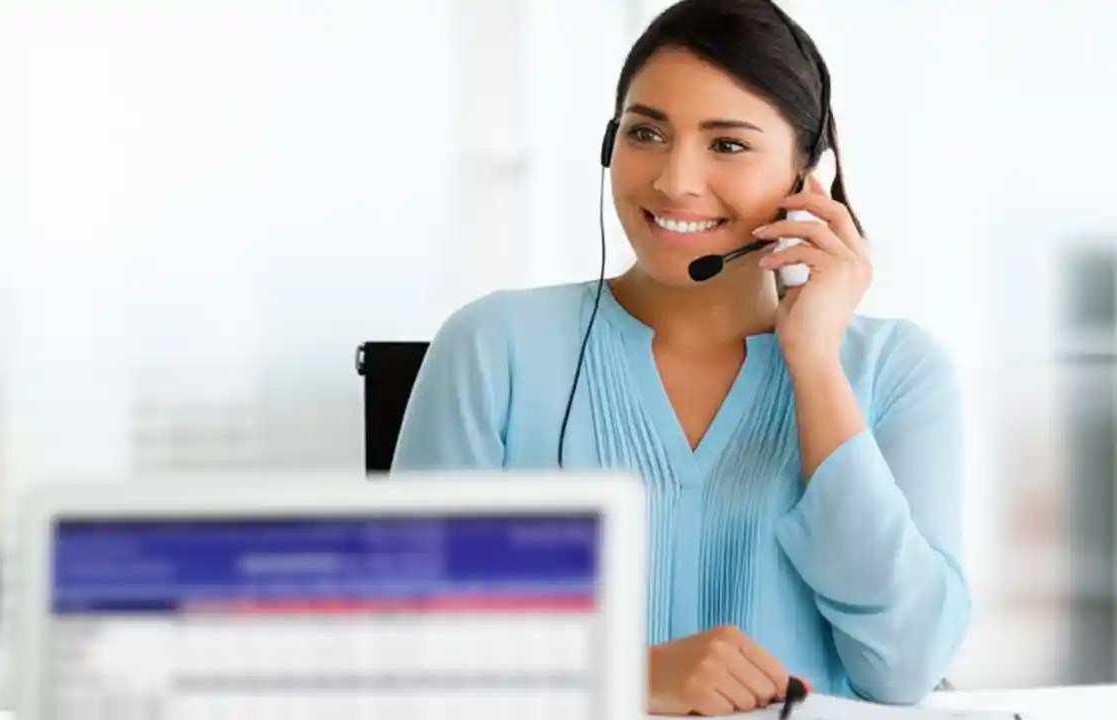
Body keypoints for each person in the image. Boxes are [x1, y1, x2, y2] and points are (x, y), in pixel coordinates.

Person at [391, 0, 971, 715]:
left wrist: (816, 364)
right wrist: (624, 674)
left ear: (805, 178)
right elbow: (409, 651)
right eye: (646, 133)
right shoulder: (493, 347)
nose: (674, 181)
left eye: (727, 144)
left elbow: (905, 666)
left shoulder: (898, 370)